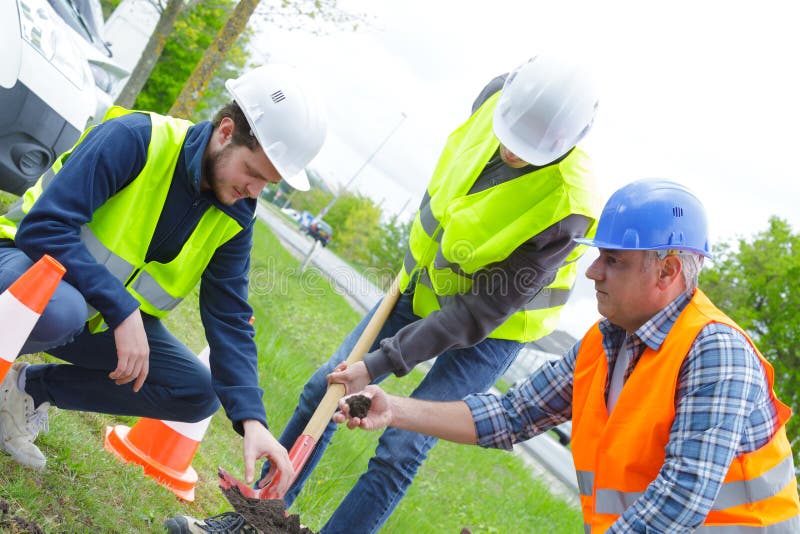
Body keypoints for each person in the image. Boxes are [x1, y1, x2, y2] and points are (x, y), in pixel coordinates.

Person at [179, 54, 601, 533]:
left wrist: (378, 365)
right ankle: (253, 524)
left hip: (494, 328)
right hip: (420, 281)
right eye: (511, 136)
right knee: (328, 386)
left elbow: (475, 313)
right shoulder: (494, 95)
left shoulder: (569, 206)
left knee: (402, 445)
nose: (513, 153)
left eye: (530, 151)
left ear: (568, 144)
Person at [334, 179, 800, 533]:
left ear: (668, 270)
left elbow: (681, 498)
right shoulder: (607, 341)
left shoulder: (716, 352)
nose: (593, 272)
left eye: (613, 260)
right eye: (598, 256)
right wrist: (393, 408)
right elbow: (511, 415)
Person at [0, 64, 326, 496]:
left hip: (93, 317)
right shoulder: (137, 139)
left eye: (268, 184)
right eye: (254, 172)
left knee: (195, 391)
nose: (255, 191)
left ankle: (22, 393)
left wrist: (253, 420)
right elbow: (44, 228)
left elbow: (229, 316)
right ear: (226, 131)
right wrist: (123, 309)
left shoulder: (235, 215)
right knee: (62, 309)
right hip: (22, 272)